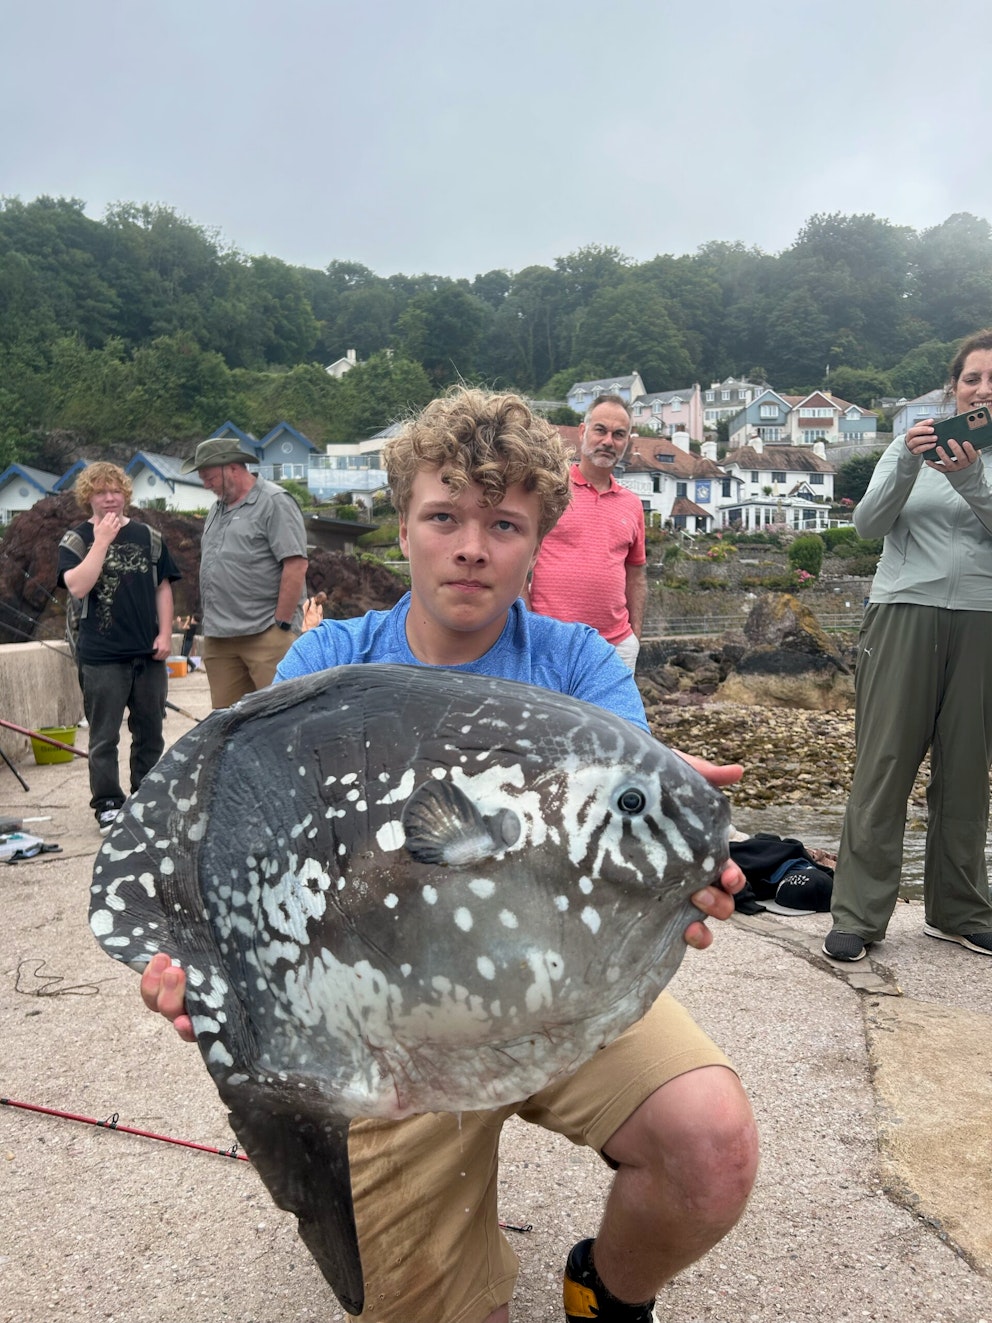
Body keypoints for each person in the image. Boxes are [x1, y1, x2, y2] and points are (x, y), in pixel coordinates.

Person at [142, 388, 758, 1323]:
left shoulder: (584, 664)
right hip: (386, 1035)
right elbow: (233, 842)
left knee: (711, 1149)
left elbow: (630, 827)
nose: (472, 545)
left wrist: (686, 880)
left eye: (504, 522)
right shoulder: (325, 671)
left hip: (563, 995)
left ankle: (607, 1289)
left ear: (537, 538)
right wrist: (197, 959)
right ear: (405, 526)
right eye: (445, 516)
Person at [823, 329, 992, 963]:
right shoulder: (907, 444)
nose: (983, 390)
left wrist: (971, 478)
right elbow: (868, 525)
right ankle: (858, 915)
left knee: (969, 771)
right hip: (902, 611)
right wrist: (907, 463)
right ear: (955, 389)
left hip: (983, 615)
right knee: (885, 764)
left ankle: (960, 911)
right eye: (973, 379)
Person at [57, 463, 180, 834]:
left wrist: (165, 634)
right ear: (87, 498)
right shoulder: (75, 540)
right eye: (100, 491)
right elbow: (78, 586)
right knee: (103, 735)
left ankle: (147, 796)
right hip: (101, 656)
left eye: (115, 490)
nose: (109, 497)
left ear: (125, 493)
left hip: (147, 653)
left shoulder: (149, 537)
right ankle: (109, 803)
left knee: (150, 730)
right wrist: (103, 541)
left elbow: (163, 587)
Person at [180, 437, 309, 708]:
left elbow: (296, 564)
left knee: (281, 716)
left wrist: (282, 624)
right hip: (219, 638)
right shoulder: (216, 510)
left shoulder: (274, 502)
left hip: (265, 633)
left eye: (209, 477)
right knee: (228, 723)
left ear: (233, 468)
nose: (205, 484)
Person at [527, 393, 647, 671]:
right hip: (551, 642)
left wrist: (635, 637)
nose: (608, 441)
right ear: (583, 432)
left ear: (627, 442)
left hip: (615, 647)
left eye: (619, 434)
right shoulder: (550, 490)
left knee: (612, 717)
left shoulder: (632, 505)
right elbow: (519, 561)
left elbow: (637, 575)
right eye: (600, 430)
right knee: (551, 716)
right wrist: (529, 627)